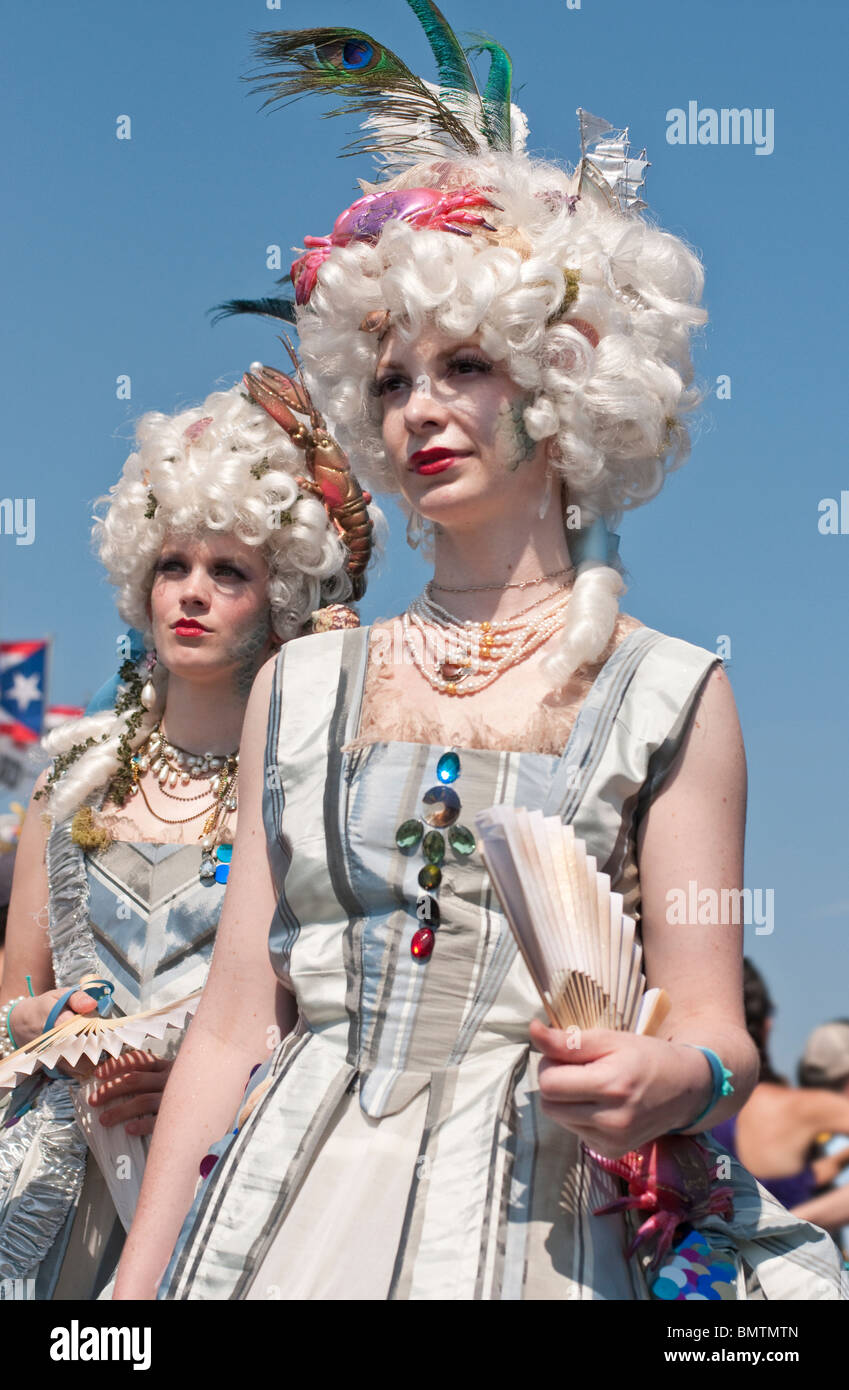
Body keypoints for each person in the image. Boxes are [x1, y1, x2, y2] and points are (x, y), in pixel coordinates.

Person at [114, 7, 845, 1300]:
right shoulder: (303, 683)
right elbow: (236, 1019)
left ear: (564, 386)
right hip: (283, 1210)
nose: (419, 409)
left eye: (467, 366)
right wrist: (135, 1281)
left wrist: (673, 1076)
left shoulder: (672, 690)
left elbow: (718, 1028)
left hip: (545, 1225)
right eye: (391, 377)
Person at [0, 378, 376, 1298]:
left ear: (281, 596)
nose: (193, 596)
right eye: (174, 566)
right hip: (51, 1194)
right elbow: (13, 993)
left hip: (227, 1183)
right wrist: (43, 1024)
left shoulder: (314, 787)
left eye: (229, 573)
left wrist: (207, 1089)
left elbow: (342, 1010)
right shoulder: (72, 778)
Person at [712, 964, 849, 1245]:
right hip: (800, 1277)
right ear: (767, 1025)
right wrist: (794, 1220)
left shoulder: (679, 1119)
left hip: (704, 1279)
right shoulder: (798, 1108)